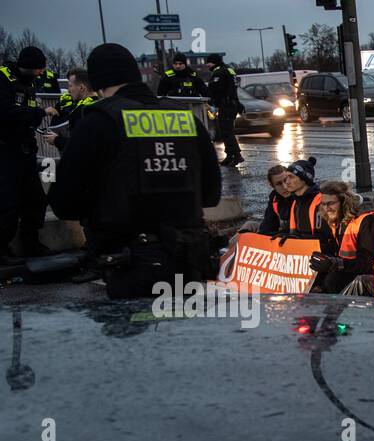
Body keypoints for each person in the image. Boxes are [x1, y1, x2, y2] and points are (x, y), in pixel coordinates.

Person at [47, 42, 221, 299]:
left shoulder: (97, 122)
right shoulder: (184, 117)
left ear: (97, 83)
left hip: (129, 263)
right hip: (188, 257)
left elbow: (66, 203)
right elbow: (210, 193)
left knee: (133, 333)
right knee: (184, 336)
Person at [0, 47, 60, 260]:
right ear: (28, 66)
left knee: (35, 200)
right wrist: (40, 112)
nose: (40, 74)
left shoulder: (29, 83)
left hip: (25, 151)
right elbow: (6, 113)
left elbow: (28, 115)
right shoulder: (3, 79)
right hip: (6, 152)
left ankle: (31, 243)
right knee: (8, 204)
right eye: (38, 69)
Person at [307, 179, 374, 294]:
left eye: (331, 203)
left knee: (333, 280)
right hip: (347, 270)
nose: (326, 208)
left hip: (369, 277)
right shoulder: (335, 221)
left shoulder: (367, 221)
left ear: (344, 202)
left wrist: (337, 264)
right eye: (323, 204)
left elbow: (368, 262)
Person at [203, 53, 243, 166]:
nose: (207, 65)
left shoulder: (218, 72)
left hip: (226, 105)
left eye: (209, 62)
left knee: (226, 132)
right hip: (233, 104)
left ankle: (235, 156)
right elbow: (233, 88)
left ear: (214, 62)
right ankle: (232, 155)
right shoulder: (230, 70)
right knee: (228, 131)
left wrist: (212, 103)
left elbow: (215, 89)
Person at [43, 68, 96, 151]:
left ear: (82, 87)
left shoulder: (90, 110)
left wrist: (57, 140)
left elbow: (84, 145)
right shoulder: (69, 102)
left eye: (70, 86)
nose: (68, 90)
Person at [276, 157, 322, 239]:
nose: (287, 182)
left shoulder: (321, 201)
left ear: (305, 179)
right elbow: (294, 232)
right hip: (301, 248)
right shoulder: (296, 201)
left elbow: (326, 236)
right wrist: (284, 235)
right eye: (286, 177)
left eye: (291, 177)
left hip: (320, 250)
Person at [254, 164, 291, 236]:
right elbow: (267, 226)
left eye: (286, 180)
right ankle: (230, 246)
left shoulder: (299, 196)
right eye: (279, 184)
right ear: (272, 186)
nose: (285, 186)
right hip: (280, 235)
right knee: (248, 225)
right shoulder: (275, 199)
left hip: (294, 239)